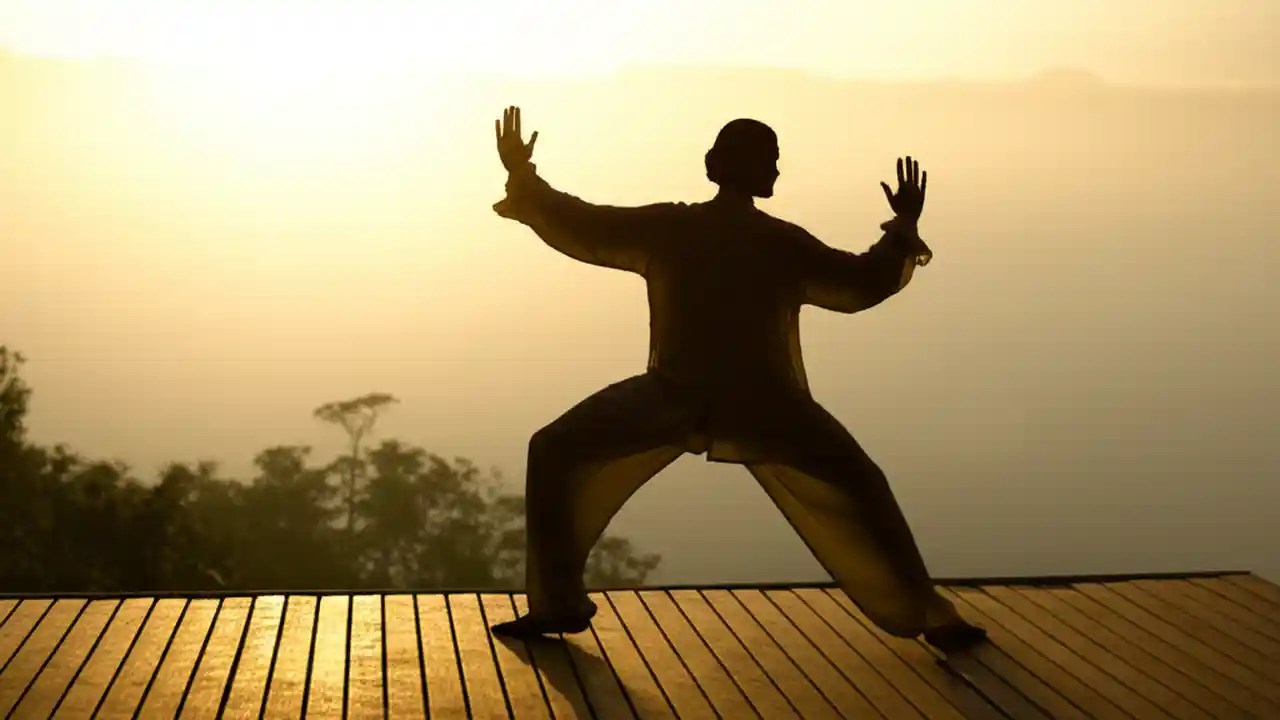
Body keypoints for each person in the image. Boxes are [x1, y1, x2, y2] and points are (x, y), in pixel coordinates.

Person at [489, 106, 986, 651]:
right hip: (755, 403)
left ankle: (556, 603)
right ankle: (934, 617)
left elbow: (583, 221)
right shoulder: (770, 241)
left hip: (685, 395)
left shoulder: (676, 229)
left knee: (556, 447)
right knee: (863, 485)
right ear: (736, 168)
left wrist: (524, 178)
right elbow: (860, 283)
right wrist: (904, 228)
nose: (776, 171)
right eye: (770, 161)